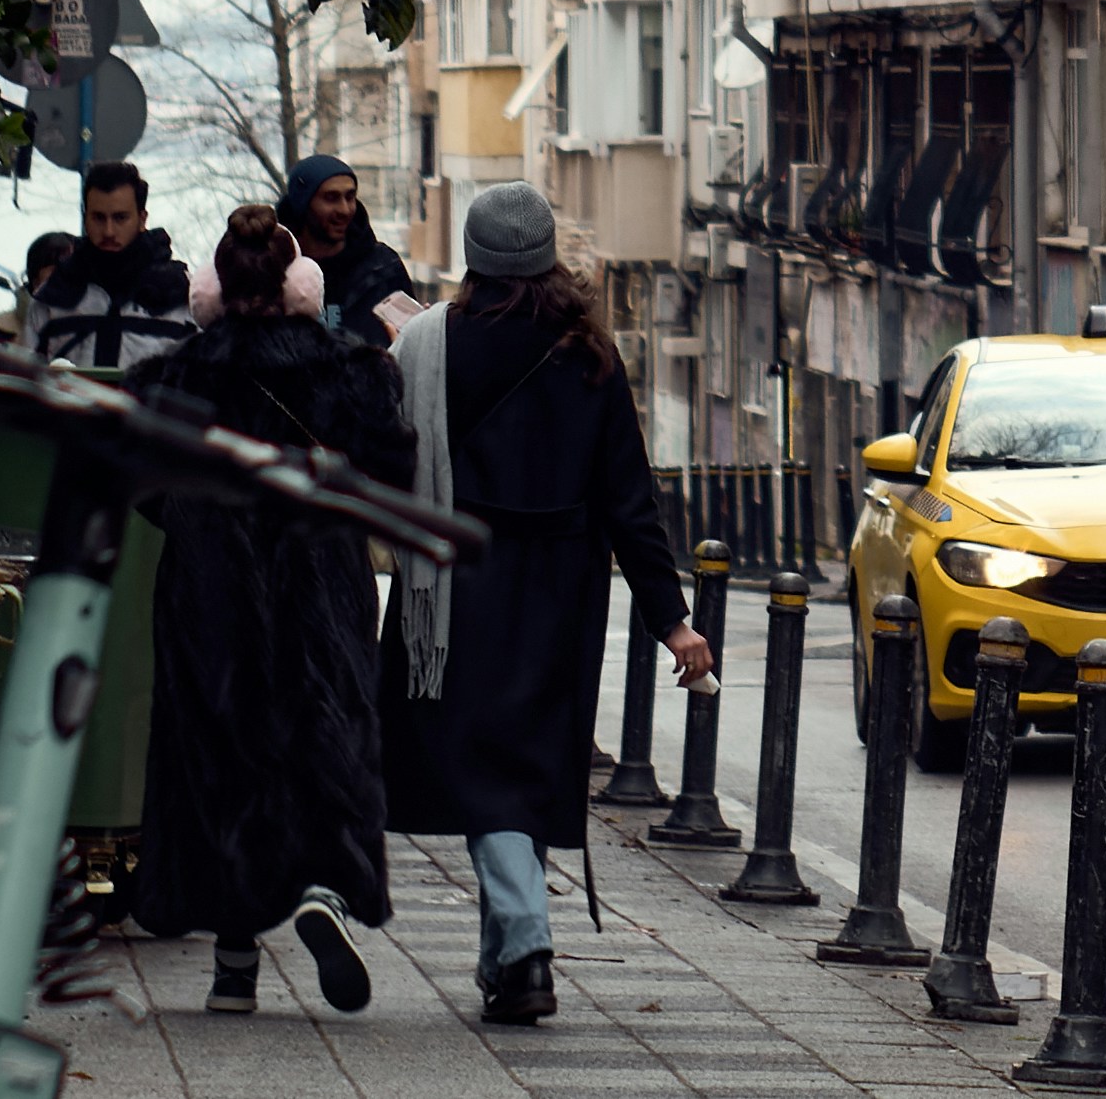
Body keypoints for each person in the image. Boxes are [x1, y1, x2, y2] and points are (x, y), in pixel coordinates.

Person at [388, 183, 706, 1029]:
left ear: (474, 256)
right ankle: (508, 964)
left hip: (461, 580)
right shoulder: (589, 354)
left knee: (485, 773)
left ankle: (525, 942)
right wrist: (670, 617)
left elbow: (392, 457)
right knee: (523, 766)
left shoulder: (435, 344)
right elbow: (629, 500)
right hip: (562, 588)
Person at [128, 206, 417, 1016]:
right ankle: (324, 887)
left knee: (218, 752)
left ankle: (232, 964)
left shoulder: (176, 377)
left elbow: (140, 482)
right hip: (319, 582)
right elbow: (392, 469)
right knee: (324, 736)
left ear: (212, 290)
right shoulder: (351, 371)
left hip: (207, 587)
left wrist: (197, 522)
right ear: (298, 285)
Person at [13, 165, 195, 378]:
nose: (109, 231)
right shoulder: (54, 296)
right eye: (99, 218)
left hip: (149, 411)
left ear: (142, 219)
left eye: (120, 218)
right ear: (85, 217)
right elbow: (27, 381)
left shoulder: (180, 295)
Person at [283, 153, 420, 342]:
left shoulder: (383, 268)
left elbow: (411, 342)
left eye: (350, 197)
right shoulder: (277, 268)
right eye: (331, 198)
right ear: (303, 204)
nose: (345, 209)